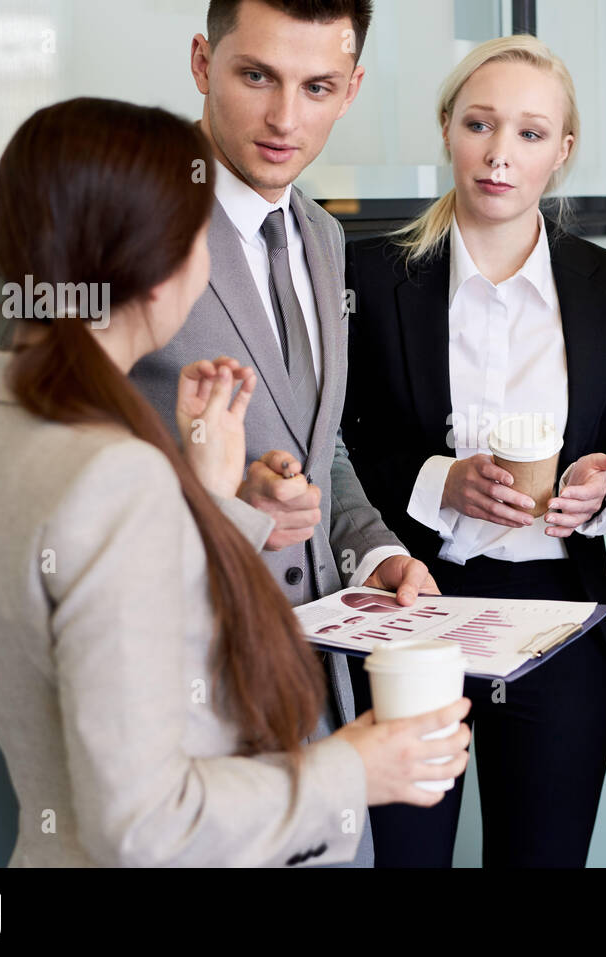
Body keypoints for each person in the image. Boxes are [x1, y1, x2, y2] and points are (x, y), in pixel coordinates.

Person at [0, 97, 470, 867]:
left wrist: (220, 505)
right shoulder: (116, 474)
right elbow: (145, 822)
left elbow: (110, 632)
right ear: (158, 265)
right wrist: (357, 768)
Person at [342, 35, 606, 867]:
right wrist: (436, 482)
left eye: (529, 133)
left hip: (559, 614)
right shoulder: (370, 277)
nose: (498, 154)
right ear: (448, 128)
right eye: (479, 124)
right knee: (406, 858)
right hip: (413, 607)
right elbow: (339, 444)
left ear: (561, 153)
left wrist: (605, 493)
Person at [128, 0, 438, 866]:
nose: (284, 119)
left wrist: (374, 551)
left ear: (353, 90)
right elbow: (58, 461)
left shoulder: (325, 236)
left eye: (318, 87)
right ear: (201, 61)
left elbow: (320, 446)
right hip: (183, 706)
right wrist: (221, 490)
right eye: (256, 75)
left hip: (321, 702)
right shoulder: (123, 221)